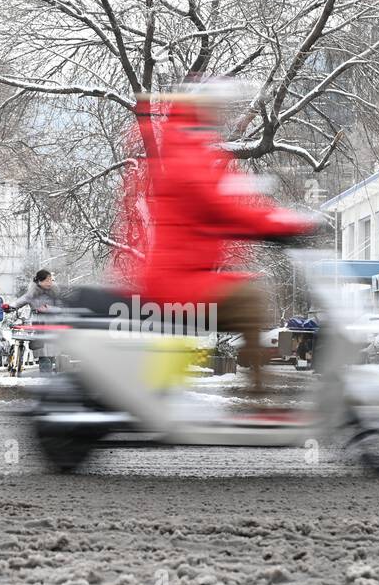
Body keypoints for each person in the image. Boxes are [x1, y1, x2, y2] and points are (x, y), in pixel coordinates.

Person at [129, 85, 316, 391]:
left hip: (183, 278)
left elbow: (230, 202)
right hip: (176, 283)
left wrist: (274, 220)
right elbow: (224, 207)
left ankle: (253, 388)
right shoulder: (188, 160)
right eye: (212, 111)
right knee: (250, 298)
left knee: (248, 289)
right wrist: (283, 227)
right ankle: (257, 398)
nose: (218, 117)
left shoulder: (187, 152)